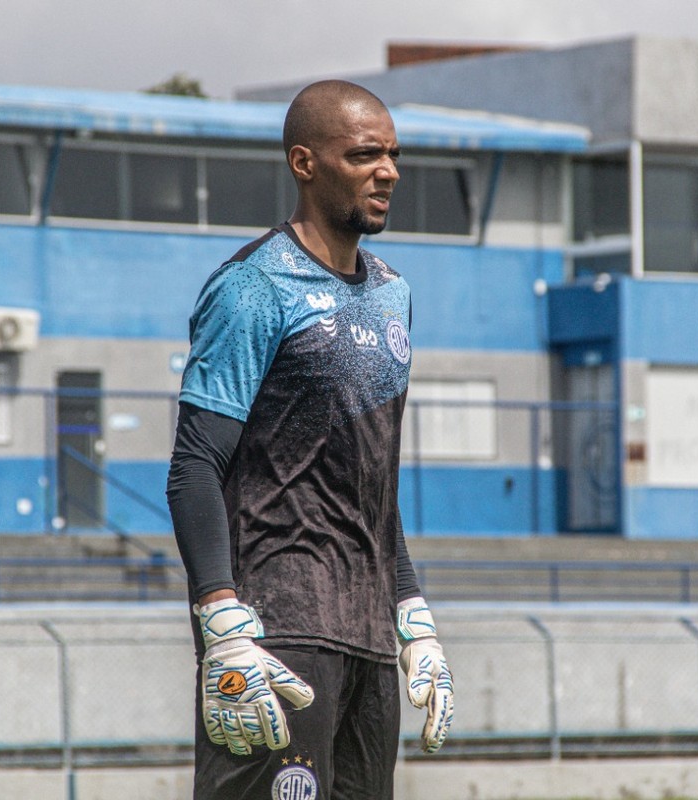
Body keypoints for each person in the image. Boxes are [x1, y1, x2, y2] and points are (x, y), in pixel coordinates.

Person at [166, 79, 453, 799]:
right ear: (304, 162)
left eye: (392, 154)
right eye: (364, 154)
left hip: (367, 639)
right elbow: (195, 465)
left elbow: (369, 486)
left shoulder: (393, 293)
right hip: (276, 633)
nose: (387, 171)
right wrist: (222, 625)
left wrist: (412, 616)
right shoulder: (253, 287)